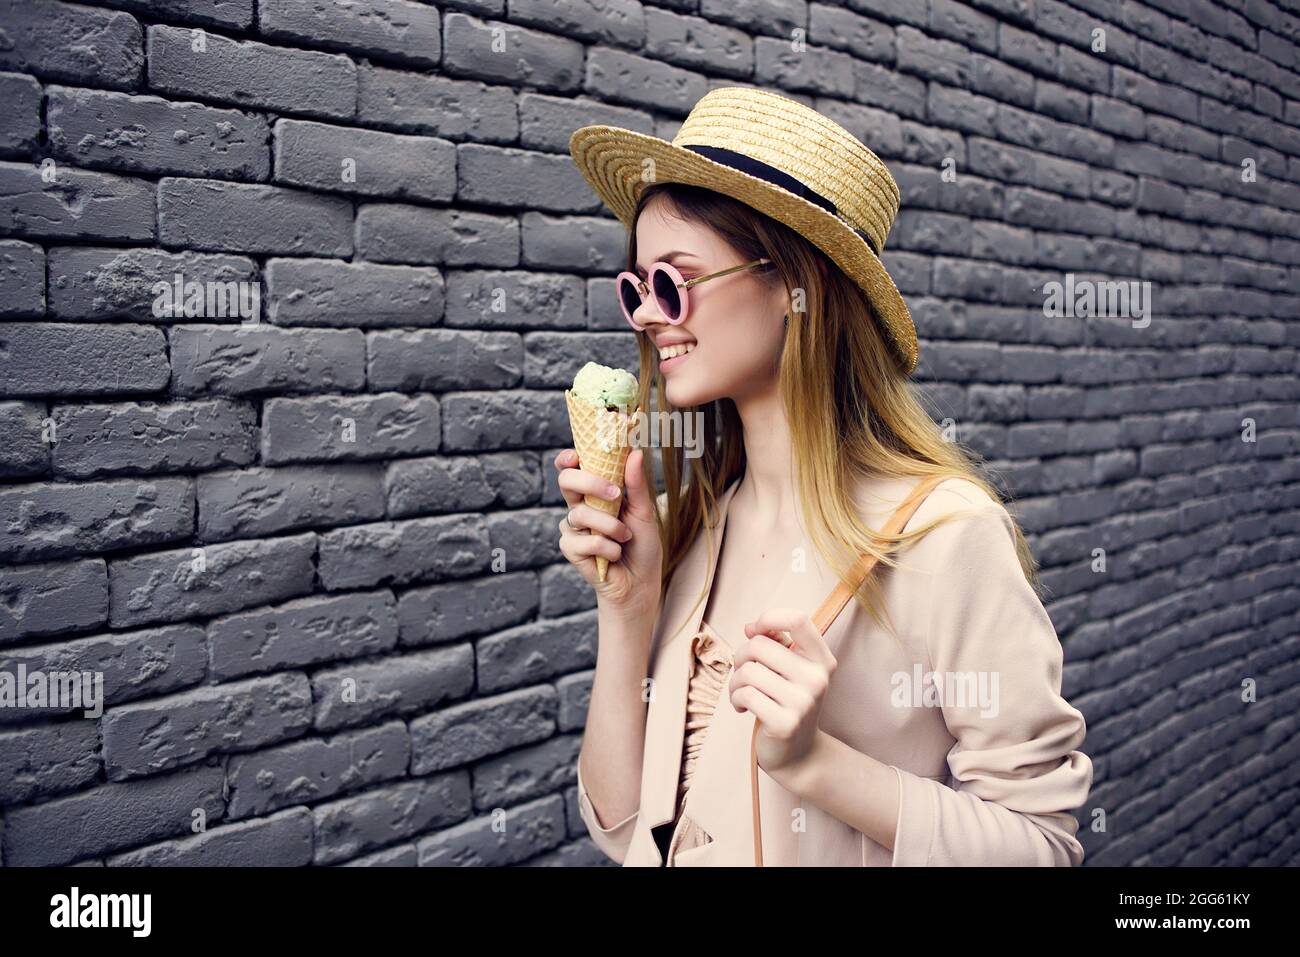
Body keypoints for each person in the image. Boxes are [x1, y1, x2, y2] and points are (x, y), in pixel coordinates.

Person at [554, 87, 1093, 866]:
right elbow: (619, 827)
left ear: (793, 288)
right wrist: (627, 608)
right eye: (635, 288)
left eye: (672, 281)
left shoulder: (945, 534)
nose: (645, 315)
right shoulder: (685, 523)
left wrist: (817, 764)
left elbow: (1041, 845)